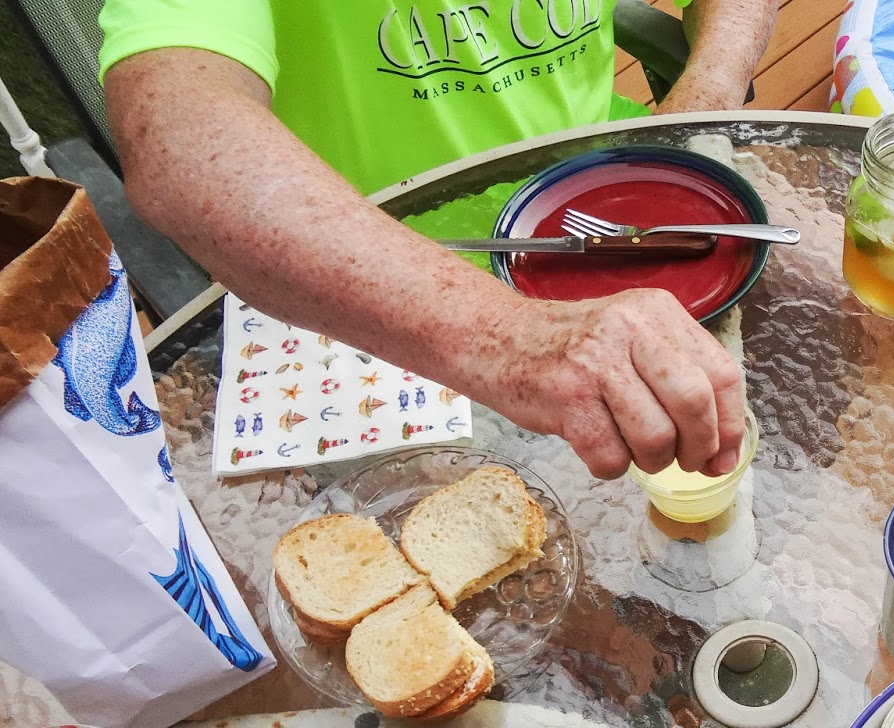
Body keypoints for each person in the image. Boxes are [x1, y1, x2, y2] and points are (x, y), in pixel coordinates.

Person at [98, 0, 778, 480]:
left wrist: (709, 83)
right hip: (386, 281)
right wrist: (514, 338)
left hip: (608, 202)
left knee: (795, 415)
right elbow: (175, 135)